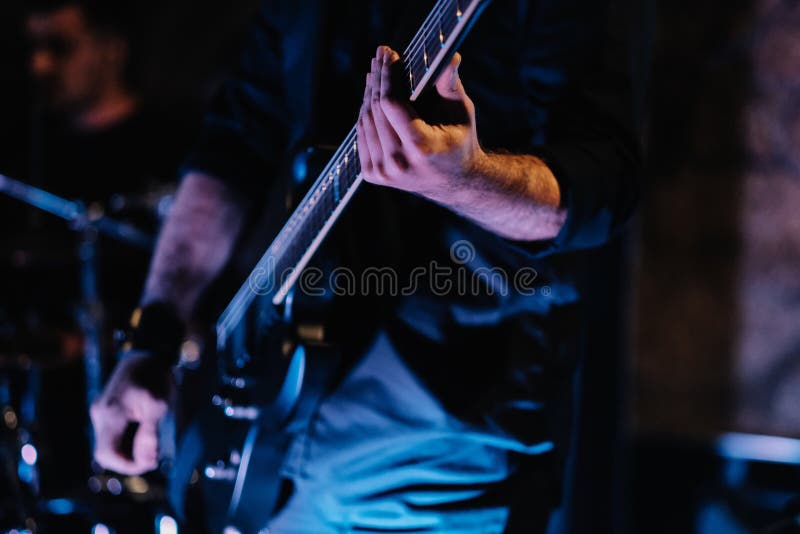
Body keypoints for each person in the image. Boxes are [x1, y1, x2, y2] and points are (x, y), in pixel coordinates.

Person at [90, 0, 651, 531]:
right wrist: (153, 335)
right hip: (275, 432)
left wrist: (468, 178)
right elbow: (233, 147)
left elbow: (604, 188)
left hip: (434, 446)